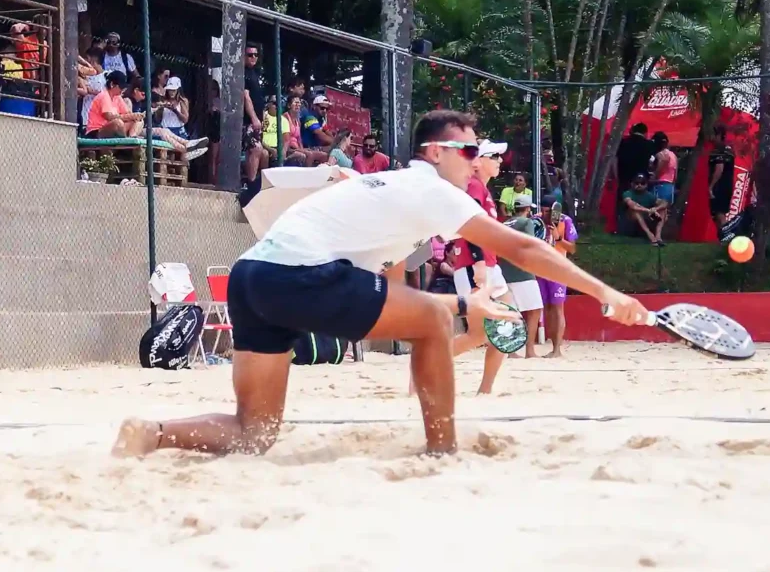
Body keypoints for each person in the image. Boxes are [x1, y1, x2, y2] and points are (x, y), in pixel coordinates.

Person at [111, 110, 648, 458]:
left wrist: (456, 304)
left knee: (256, 434)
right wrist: (607, 293)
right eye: (468, 150)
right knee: (436, 319)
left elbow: (390, 291)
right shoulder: (429, 188)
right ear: (435, 152)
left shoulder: (388, 186)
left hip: (252, 276)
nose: (475, 161)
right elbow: (524, 249)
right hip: (297, 274)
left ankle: (151, 432)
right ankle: (442, 453)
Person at [451, 139, 513, 395]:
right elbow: (470, 225)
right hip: (474, 265)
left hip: (488, 265)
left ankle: (485, 390)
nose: (499, 161)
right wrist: (478, 261)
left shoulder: (483, 190)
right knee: (479, 334)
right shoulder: (473, 187)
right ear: (479, 162)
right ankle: (420, 365)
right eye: (495, 157)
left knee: (508, 329)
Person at [498, 194, 545, 358]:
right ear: (527, 209)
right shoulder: (527, 222)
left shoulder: (504, 223)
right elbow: (531, 245)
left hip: (504, 271)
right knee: (534, 310)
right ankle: (530, 350)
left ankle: (511, 351)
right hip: (523, 272)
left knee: (511, 311)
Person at [537, 197, 579, 358]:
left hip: (558, 269)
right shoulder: (536, 220)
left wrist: (559, 238)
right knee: (546, 308)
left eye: (549, 211)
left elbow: (573, 248)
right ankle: (551, 344)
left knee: (557, 308)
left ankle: (557, 350)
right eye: (544, 210)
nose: (545, 214)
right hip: (540, 268)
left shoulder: (565, 221)